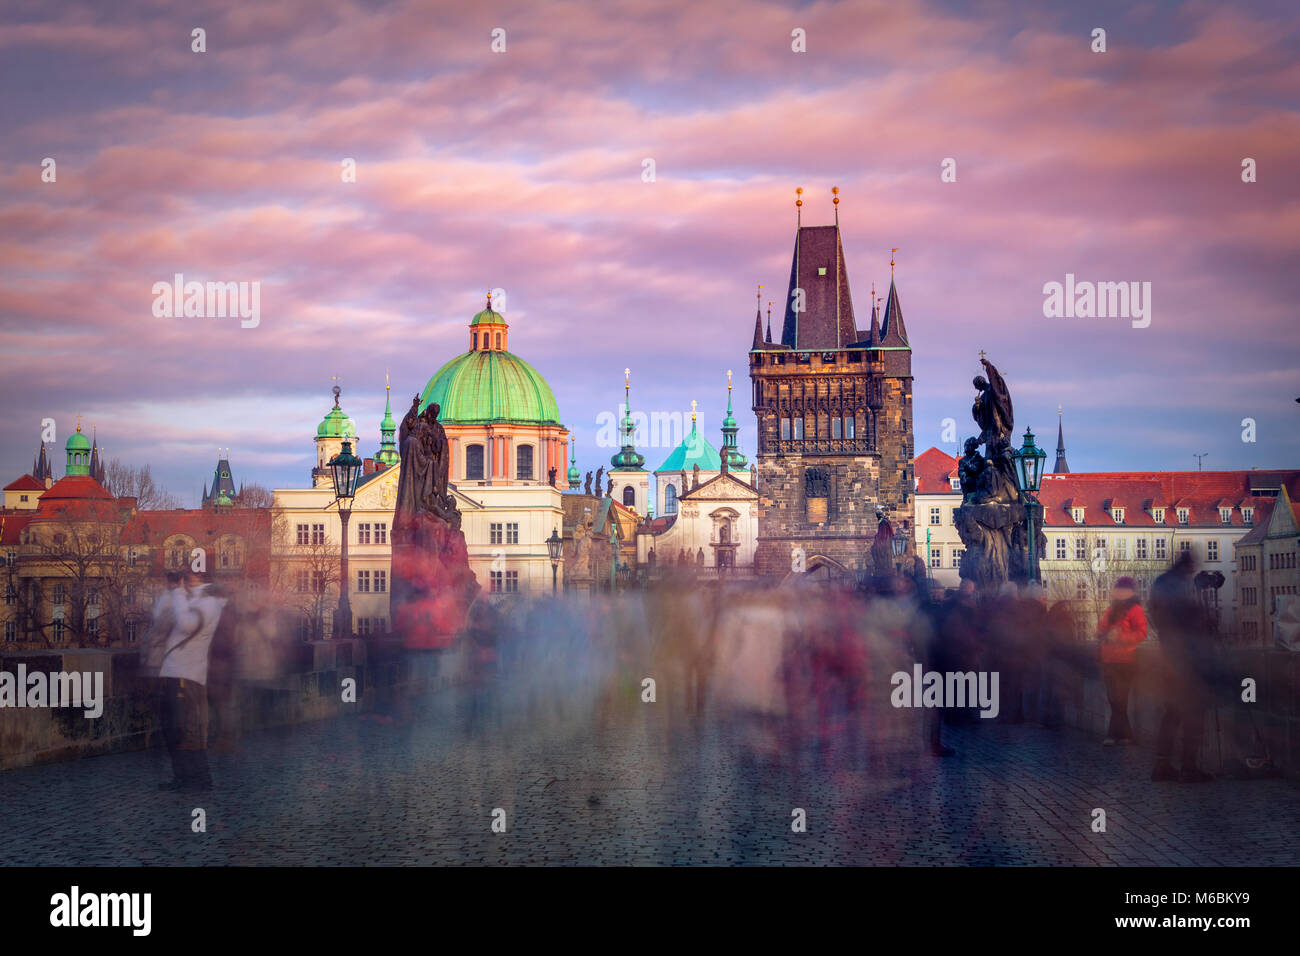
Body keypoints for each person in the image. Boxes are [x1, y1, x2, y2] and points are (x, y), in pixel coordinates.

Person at [156, 570, 229, 791]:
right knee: (175, 729)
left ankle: (198, 779)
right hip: (176, 672)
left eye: (188, 576)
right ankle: (184, 777)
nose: (185, 581)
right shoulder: (195, 598)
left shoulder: (209, 603)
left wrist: (178, 593)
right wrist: (172, 593)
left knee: (187, 730)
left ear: (200, 577)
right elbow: (159, 618)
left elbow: (187, 625)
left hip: (186, 674)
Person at [1149, 552, 1213, 782]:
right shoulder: (1180, 585)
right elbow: (1185, 619)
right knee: (1194, 712)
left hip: (1168, 656)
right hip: (1186, 659)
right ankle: (1188, 766)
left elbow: (1157, 617)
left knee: (1172, 712)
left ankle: (1162, 764)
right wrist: (1201, 616)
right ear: (1188, 565)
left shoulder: (1161, 582)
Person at [1096, 576, 1147, 745]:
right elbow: (1100, 628)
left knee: (1120, 699)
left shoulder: (1135, 609)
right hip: (1109, 659)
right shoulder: (1111, 609)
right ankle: (1126, 735)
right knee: (1114, 699)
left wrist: (1120, 636)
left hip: (1126, 660)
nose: (1119, 593)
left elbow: (1142, 634)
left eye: (1123, 590)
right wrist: (1103, 634)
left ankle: (1113, 735)